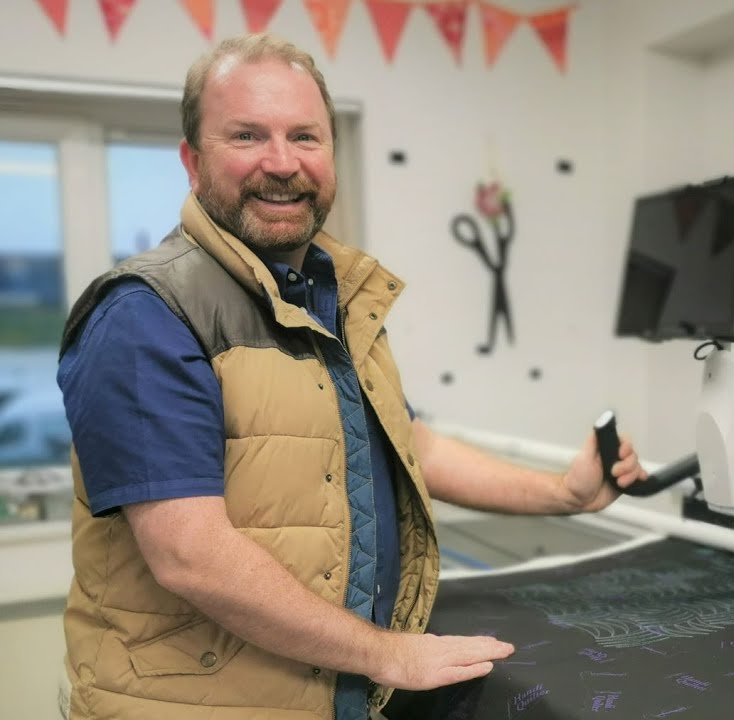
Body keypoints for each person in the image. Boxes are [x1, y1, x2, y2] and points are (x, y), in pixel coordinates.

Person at [56, 33, 648, 720]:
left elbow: (406, 443)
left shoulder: (331, 295)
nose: (282, 164)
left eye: (305, 137)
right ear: (192, 161)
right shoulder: (144, 313)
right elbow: (192, 555)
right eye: (247, 135)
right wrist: (389, 653)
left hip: (335, 692)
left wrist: (564, 494)